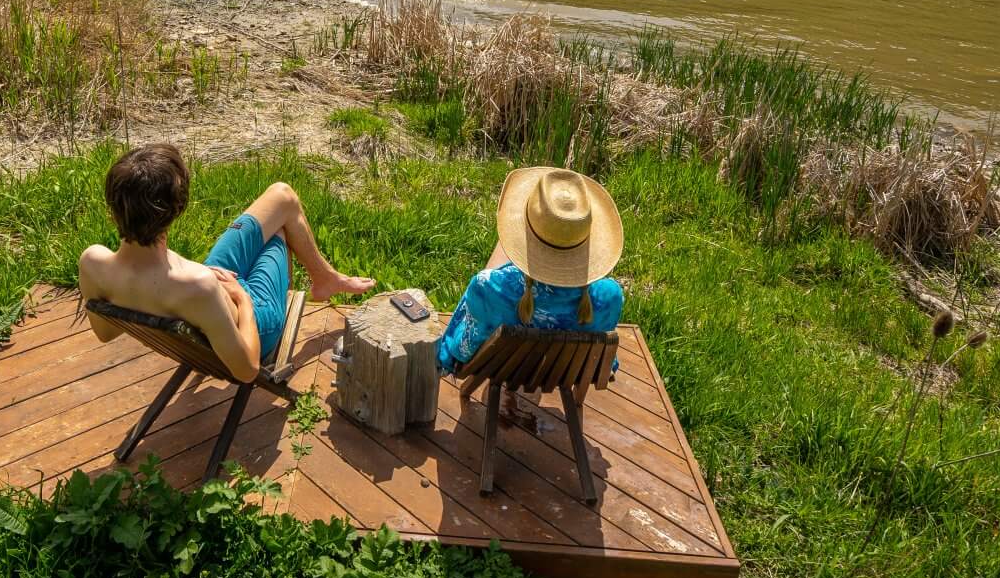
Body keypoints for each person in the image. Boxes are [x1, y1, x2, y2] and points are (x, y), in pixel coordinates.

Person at [79, 144, 376, 382]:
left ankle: (325, 278)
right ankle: (321, 281)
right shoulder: (198, 286)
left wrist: (148, 294)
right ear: (177, 209)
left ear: (113, 210)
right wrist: (241, 298)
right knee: (281, 229)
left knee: (282, 196)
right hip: (254, 322)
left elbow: (105, 332)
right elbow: (247, 370)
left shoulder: (93, 263)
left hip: (207, 296)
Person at [440, 166, 625, 401]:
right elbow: (604, 360)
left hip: (501, 367)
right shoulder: (609, 296)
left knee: (494, 271)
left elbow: (462, 351)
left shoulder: (489, 288)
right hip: (564, 372)